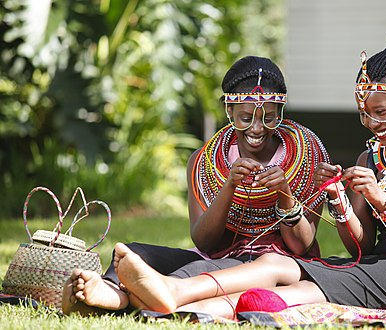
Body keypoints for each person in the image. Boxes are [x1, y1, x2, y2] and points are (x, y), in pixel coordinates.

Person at [65, 31, 386, 319]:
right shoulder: (373, 158)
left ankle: (168, 297)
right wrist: (338, 197)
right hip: (376, 267)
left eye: (381, 113)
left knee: (296, 282)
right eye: (364, 113)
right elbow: (361, 248)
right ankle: (175, 304)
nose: (370, 123)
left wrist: (385, 203)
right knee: (279, 273)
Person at [62, 55, 331, 314]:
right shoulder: (203, 162)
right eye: (246, 118)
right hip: (218, 256)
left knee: (197, 272)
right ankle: (110, 290)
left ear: (280, 112)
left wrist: (285, 194)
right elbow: (205, 241)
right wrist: (229, 187)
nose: (257, 128)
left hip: (273, 264)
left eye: (269, 118)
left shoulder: (308, 157)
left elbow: (302, 248)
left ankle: (127, 298)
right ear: (229, 110)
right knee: (136, 252)